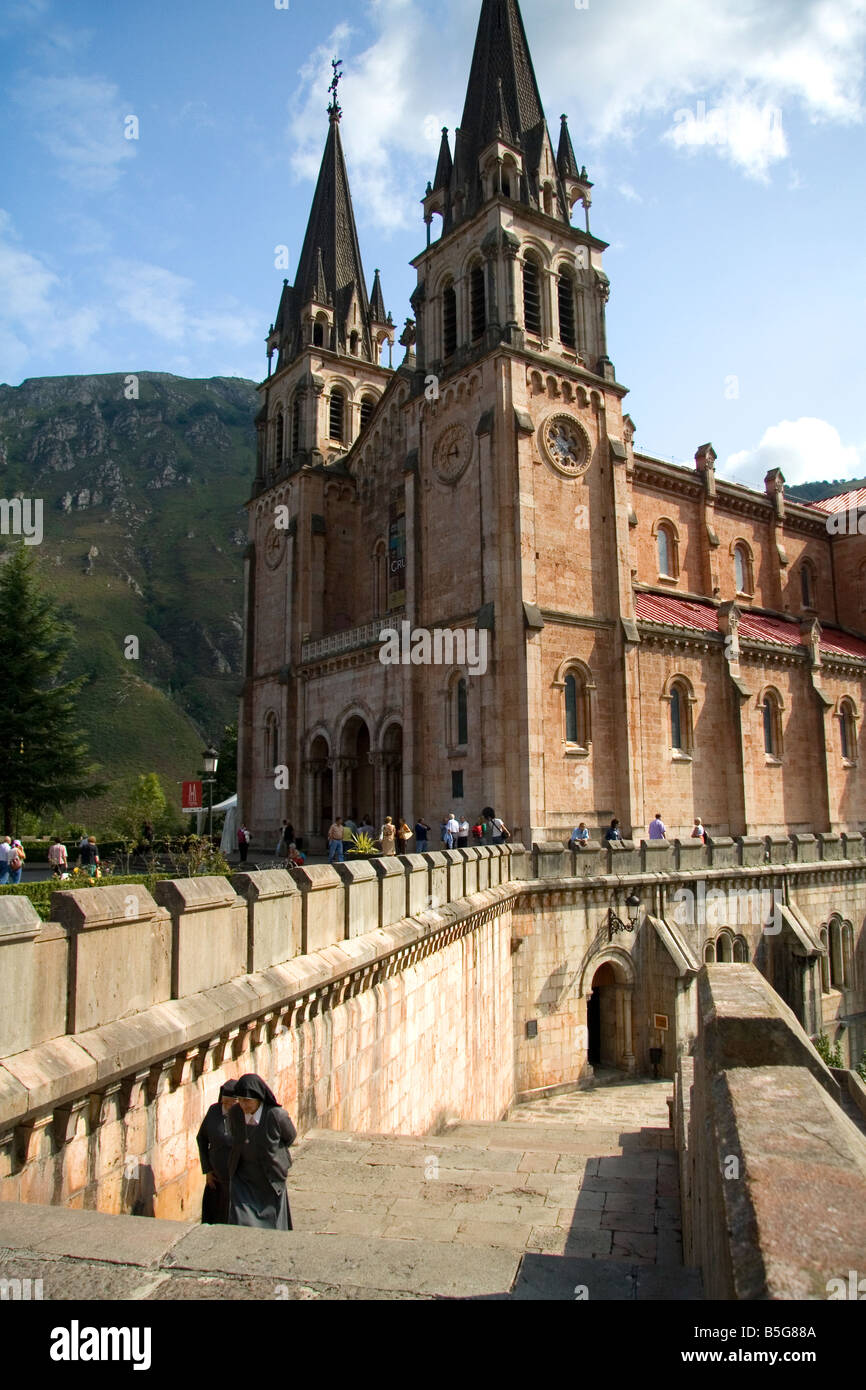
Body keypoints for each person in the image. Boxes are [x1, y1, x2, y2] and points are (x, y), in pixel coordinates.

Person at [226, 1074, 297, 1231]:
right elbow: (234, 1135)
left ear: (258, 1099)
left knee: (273, 1223)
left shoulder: (276, 1115)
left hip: (269, 1176)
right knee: (241, 1218)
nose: (244, 1105)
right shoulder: (235, 1113)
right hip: (244, 1176)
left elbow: (290, 1136)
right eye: (241, 1100)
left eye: (248, 1101)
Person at [196, 1078, 239, 1225]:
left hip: (235, 1175)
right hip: (215, 1174)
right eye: (225, 1102)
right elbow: (201, 1139)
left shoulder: (242, 1116)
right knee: (214, 1213)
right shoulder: (214, 1111)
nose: (227, 1106)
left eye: (231, 1103)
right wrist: (207, 1170)